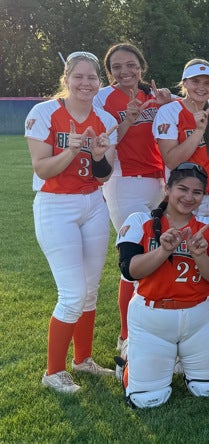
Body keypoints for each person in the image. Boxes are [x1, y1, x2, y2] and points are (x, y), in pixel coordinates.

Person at [25, 51, 118, 393]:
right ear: (66, 79)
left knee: (90, 292)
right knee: (72, 293)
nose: (85, 83)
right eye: (78, 76)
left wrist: (97, 157)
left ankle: (83, 360)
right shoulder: (45, 112)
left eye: (91, 77)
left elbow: (105, 174)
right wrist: (71, 150)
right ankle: (53, 372)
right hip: (56, 205)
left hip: (93, 202)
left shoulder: (106, 119)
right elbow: (42, 169)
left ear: (99, 82)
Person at [116, 162, 209, 408]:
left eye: (196, 192)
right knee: (147, 399)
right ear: (167, 188)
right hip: (152, 317)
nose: (189, 197)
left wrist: (199, 255)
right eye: (182, 189)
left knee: (208, 389)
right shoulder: (139, 221)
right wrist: (164, 250)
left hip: (199, 317)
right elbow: (129, 270)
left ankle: (180, 359)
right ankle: (130, 362)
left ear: (203, 195)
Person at [94, 43, 173, 369]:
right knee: (135, 257)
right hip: (124, 181)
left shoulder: (155, 94)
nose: (125, 72)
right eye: (117, 67)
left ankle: (159, 327)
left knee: (161, 253)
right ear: (109, 71)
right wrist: (128, 119)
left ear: (142, 66)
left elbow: (172, 133)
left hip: (158, 181)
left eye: (131, 65)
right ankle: (126, 338)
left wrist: (169, 105)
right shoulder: (103, 98)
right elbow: (109, 141)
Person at [153, 58, 209, 234]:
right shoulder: (169, 111)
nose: (201, 87)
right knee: (184, 254)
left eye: (208, 83)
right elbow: (172, 161)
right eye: (195, 81)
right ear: (184, 83)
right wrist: (198, 131)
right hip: (186, 197)